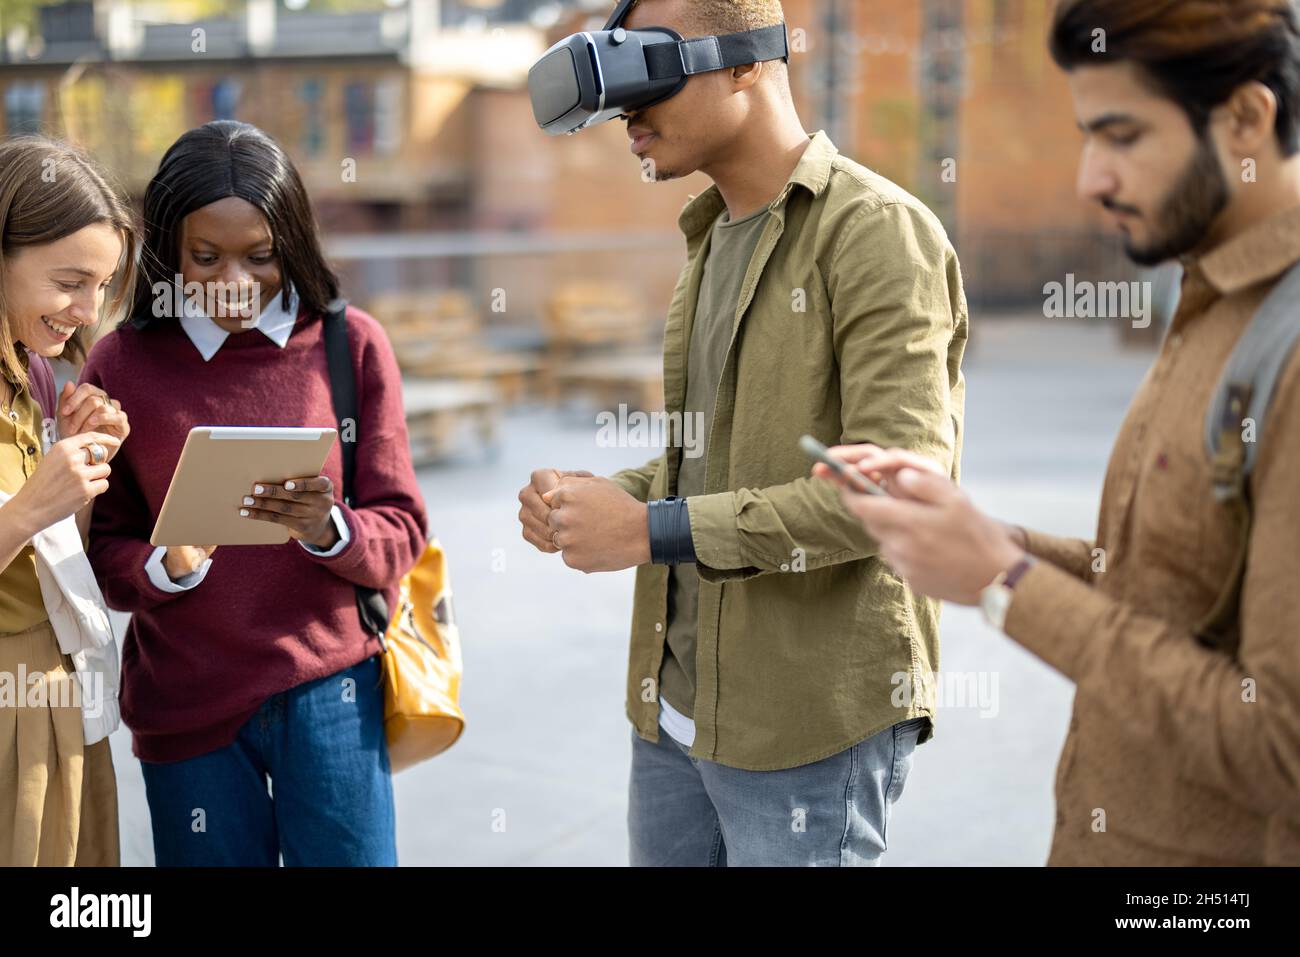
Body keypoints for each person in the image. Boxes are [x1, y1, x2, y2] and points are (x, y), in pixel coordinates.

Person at [820, 0, 1300, 866]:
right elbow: (1175, 588)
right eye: (1086, 136)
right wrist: (993, 542)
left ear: (1245, 118)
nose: (1090, 179)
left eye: (1121, 136)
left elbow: (1279, 747)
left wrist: (1005, 583)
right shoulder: (1213, 301)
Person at [518, 0, 969, 866]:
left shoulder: (878, 233)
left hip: (805, 725)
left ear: (747, 63)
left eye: (651, 72)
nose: (628, 117)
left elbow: (895, 492)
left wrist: (649, 531)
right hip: (673, 708)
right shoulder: (709, 241)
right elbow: (708, 456)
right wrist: (614, 495)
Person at [79, 121, 428, 866]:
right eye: (205, 257)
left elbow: (402, 530)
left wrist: (329, 527)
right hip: (186, 700)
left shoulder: (351, 344)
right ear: (168, 247)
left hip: (331, 694)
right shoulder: (120, 362)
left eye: (259, 256)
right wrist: (165, 566)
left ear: (290, 242)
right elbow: (100, 549)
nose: (234, 281)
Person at [0, 135, 135, 865]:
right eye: (69, 281)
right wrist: (25, 508)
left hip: (57, 701)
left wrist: (83, 471)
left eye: (102, 286)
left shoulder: (39, 378)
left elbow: (55, 560)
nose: (86, 312)